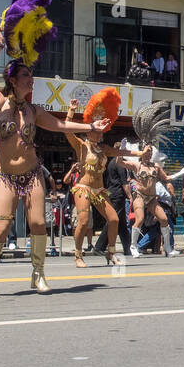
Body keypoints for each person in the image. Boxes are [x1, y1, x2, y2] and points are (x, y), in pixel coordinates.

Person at [0, 0, 109, 296]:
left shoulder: (32, 111)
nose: (31, 79)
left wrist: (90, 124)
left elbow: (60, 124)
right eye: (26, 75)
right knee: (3, 224)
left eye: (31, 75)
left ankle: (38, 274)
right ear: (13, 80)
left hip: (32, 173)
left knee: (38, 223)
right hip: (4, 176)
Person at [64, 90, 135, 268]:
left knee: (114, 220)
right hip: (83, 188)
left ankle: (110, 253)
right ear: (89, 132)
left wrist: (141, 153)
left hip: (99, 190)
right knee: (83, 220)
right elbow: (66, 128)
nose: (99, 134)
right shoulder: (81, 146)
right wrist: (71, 111)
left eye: (101, 132)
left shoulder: (104, 149)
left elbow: (122, 152)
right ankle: (78, 254)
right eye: (96, 131)